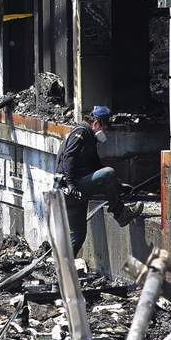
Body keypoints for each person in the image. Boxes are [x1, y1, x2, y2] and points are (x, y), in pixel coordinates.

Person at [56, 104, 139, 253]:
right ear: (96, 123)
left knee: (78, 236)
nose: (105, 131)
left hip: (71, 192)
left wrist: (119, 186)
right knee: (109, 172)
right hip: (72, 188)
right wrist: (71, 184)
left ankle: (63, 270)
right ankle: (121, 214)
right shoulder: (82, 132)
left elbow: (96, 167)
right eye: (105, 127)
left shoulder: (89, 138)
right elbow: (68, 157)